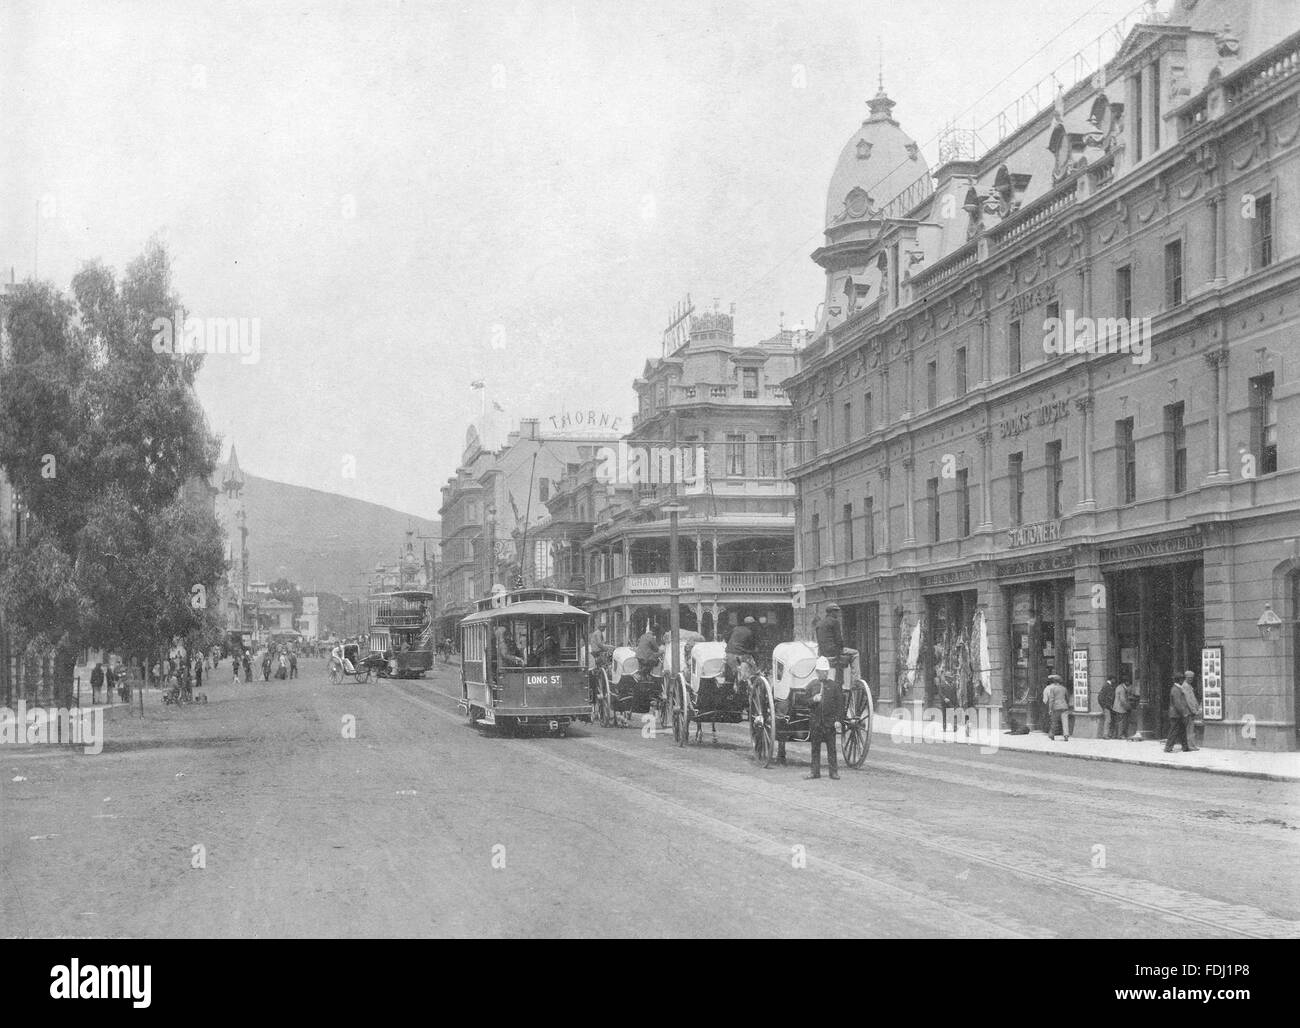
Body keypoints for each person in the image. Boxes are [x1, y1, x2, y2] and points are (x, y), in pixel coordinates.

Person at [806, 656, 843, 780]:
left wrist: (838, 720)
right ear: (817, 672)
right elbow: (804, 702)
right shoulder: (811, 685)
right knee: (815, 749)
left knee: (831, 749)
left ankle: (833, 772)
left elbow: (839, 705)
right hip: (816, 723)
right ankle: (815, 772)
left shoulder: (834, 686)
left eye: (826, 671)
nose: (825, 673)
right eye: (823, 671)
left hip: (829, 723)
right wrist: (813, 699)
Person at [815, 603, 858, 684]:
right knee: (855, 653)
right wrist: (841, 650)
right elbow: (838, 640)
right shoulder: (834, 622)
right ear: (831, 612)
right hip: (834, 652)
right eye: (836, 611)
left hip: (823, 654)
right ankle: (856, 680)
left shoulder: (819, 624)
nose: (838, 614)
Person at [1165, 672, 1200, 752]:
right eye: (1182, 679)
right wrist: (1184, 713)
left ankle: (1185, 747)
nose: (1183, 680)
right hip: (1176, 714)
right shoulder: (1176, 689)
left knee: (1182, 731)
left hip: (1178, 714)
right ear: (1179, 680)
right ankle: (1168, 747)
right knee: (1174, 731)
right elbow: (1178, 704)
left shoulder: (1178, 688)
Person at [725, 616, 758, 684]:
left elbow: (726, 638)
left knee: (733, 672)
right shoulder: (749, 632)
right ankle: (751, 676)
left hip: (729, 654)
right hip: (741, 655)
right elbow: (752, 646)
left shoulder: (735, 628)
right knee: (752, 664)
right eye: (753, 625)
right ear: (751, 625)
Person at [1042, 673, 1071, 740]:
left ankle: (1052, 734)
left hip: (1056, 707)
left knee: (1054, 721)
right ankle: (1066, 735)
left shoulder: (1053, 689)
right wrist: (1067, 704)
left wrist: (1050, 709)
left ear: (1054, 682)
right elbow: (1067, 698)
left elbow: (1051, 700)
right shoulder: (1064, 688)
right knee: (1065, 721)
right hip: (1064, 707)